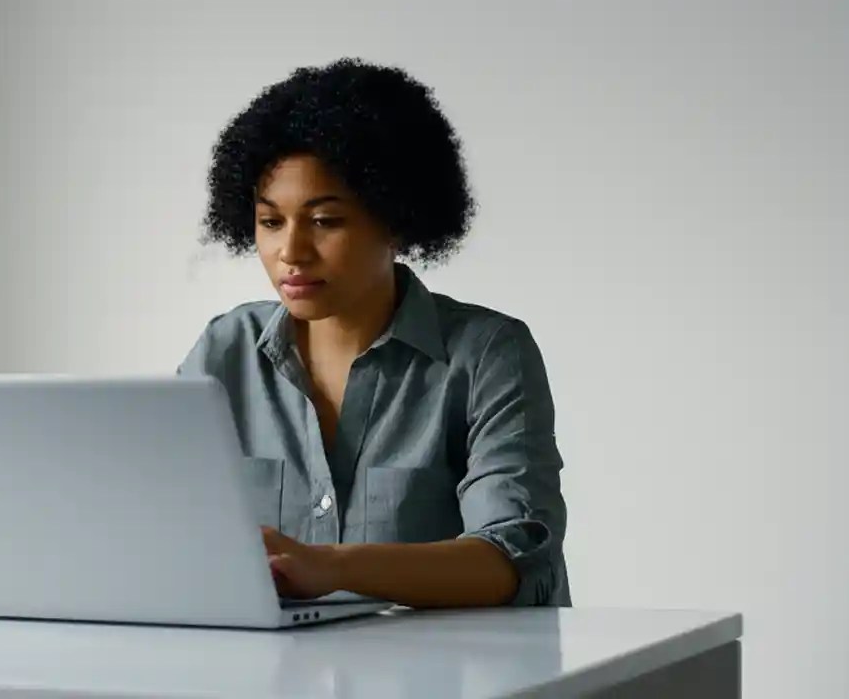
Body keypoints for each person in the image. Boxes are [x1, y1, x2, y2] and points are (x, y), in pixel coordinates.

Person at [177, 58, 569, 608]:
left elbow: (513, 561)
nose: (290, 252)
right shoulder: (225, 352)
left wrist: (328, 567)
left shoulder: (486, 355)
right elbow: (169, 537)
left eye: (325, 221)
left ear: (398, 221)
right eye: (270, 222)